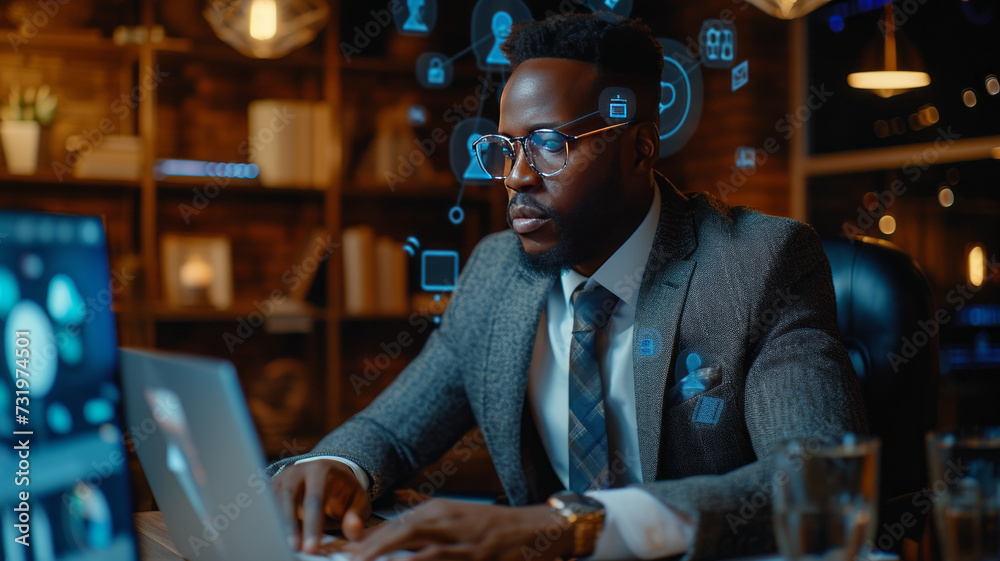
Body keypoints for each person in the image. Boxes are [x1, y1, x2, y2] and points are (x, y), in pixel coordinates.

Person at [267, 13, 866, 561]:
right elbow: (393, 429)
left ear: (639, 147)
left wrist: (569, 525)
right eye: (504, 148)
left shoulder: (758, 265)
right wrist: (337, 464)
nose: (517, 177)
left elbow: (817, 478)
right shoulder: (495, 272)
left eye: (551, 144)